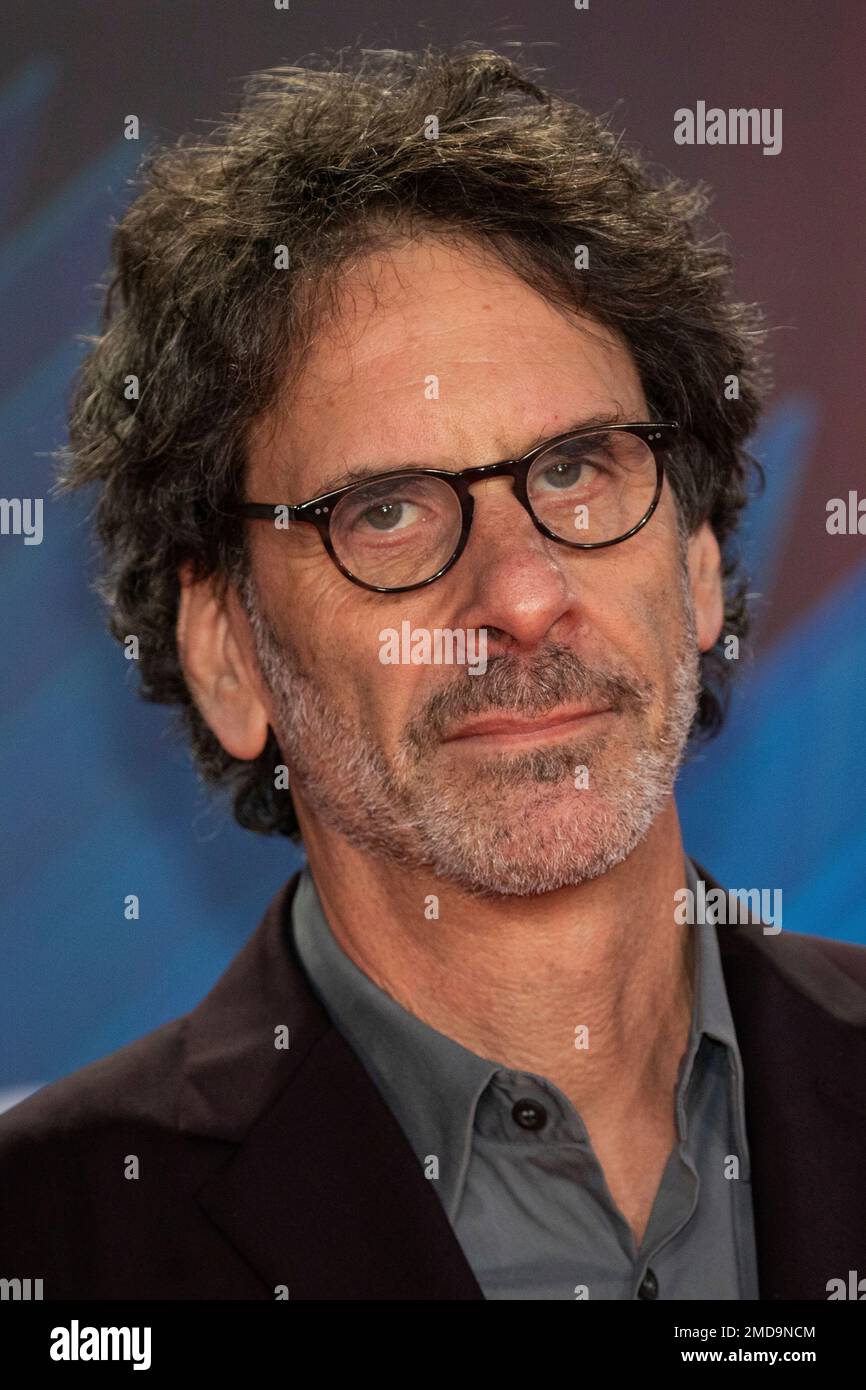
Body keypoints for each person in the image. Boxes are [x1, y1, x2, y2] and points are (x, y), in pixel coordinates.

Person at [1, 45, 863, 1302]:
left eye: (574, 471)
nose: (518, 595)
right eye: (386, 512)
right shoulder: (46, 1248)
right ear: (230, 653)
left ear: (695, 566)